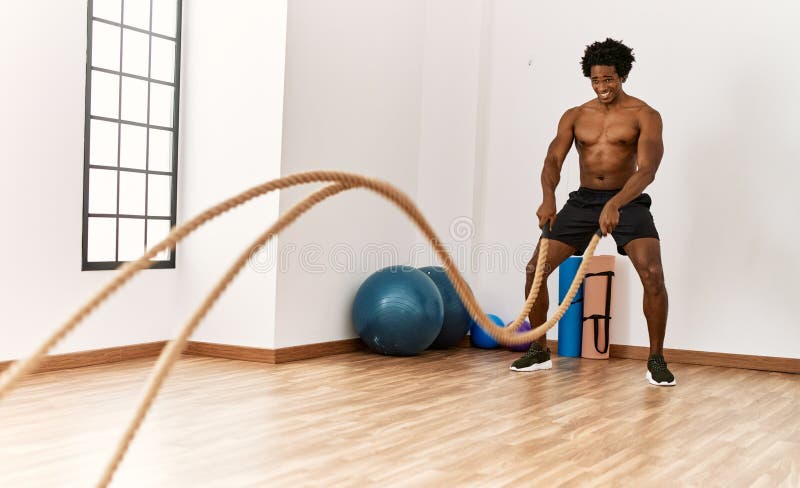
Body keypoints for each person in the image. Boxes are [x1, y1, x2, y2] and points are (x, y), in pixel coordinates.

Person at [509, 38, 675, 386]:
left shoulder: (645, 115)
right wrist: (547, 198)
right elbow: (553, 160)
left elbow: (647, 170)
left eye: (609, 79)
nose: (602, 87)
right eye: (596, 80)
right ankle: (539, 350)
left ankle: (656, 359)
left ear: (622, 75)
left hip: (627, 199)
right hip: (583, 201)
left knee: (653, 273)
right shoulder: (575, 115)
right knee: (534, 270)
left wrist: (616, 203)